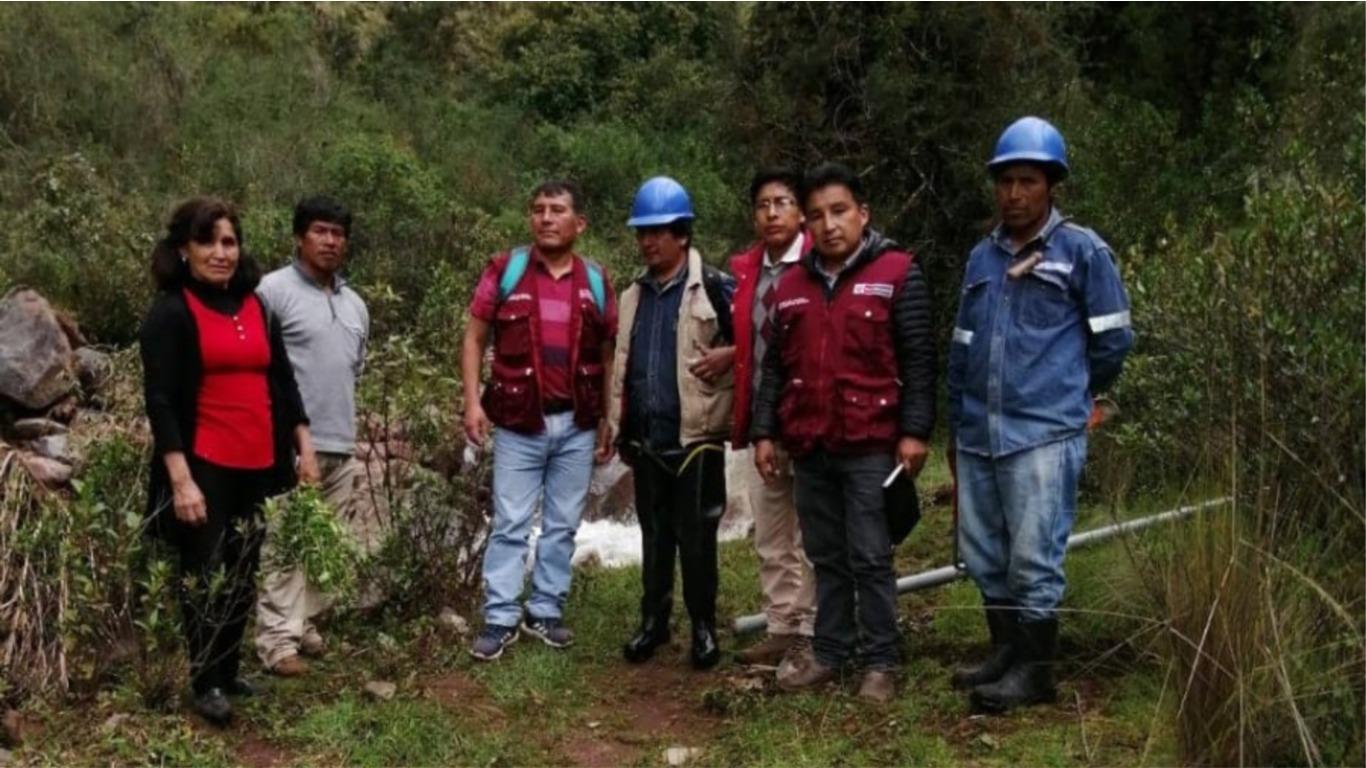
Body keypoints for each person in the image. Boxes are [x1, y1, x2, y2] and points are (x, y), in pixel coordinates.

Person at [946, 116, 1133, 713]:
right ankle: (1006, 652)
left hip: (1042, 435)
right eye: (1005, 181)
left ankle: (1038, 672)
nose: (1014, 194)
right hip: (980, 432)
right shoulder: (981, 257)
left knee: (1034, 555)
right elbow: (962, 345)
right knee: (983, 552)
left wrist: (1069, 394)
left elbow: (1112, 340)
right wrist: (958, 419)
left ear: (1051, 184)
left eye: (1027, 181)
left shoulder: (1082, 251)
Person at [752, 163, 936, 703]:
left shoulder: (899, 273)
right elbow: (775, 370)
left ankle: (881, 660)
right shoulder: (790, 285)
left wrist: (916, 431)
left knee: (871, 554)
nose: (829, 225)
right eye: (817, 216)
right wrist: (766, 432)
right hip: (812, 444)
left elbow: (920, 361)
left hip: (871, 443)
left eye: (839, 211)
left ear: (863, 214)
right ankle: (831, 651)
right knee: (826, 554)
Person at [140, 198, 318, 725]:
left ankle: (228, 668)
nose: (221, 253)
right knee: (203, 569)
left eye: (229, 242)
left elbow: (282, 381)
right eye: (208, 242)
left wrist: (303, 444)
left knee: (243, 570)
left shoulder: (256, 307)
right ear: (183, 250)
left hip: (257, 460)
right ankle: (204, 681)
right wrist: (180, 479)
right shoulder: (171, 312)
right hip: (202, 464)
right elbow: (161, 401)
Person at [462, 180, 617, 661]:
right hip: (517, 421)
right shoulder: (505, 272)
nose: (546, 218)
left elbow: (610, 350)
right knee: (509, 520)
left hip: (577, 423)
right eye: (538, 210)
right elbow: (473, 338)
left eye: (557, 210)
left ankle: (545, 611)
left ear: (579, 223)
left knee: (563, 523)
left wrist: (610, 414)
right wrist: (472, 403)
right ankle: (501, 617)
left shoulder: (595, 280)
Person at [608, 176, 736, 670]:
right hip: (647, 437)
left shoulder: (719, 287)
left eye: (658, 231)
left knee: (698, 538)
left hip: (697, 436)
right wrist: (617, 426)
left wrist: (732, 351)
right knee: (655, 535)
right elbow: (623, 363)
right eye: (642, 232)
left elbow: (763, 339)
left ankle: (703, 627)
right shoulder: (632, 297)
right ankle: (653, 623)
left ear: (682, 234)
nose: (647, 241)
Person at [254, 196, 371, 678]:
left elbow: (353, 370)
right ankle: (276, 642)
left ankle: (305, 625)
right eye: (320, 231)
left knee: (324, 543)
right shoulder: (271, 292)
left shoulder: (355, 303)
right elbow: (257, 369)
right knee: (284, 541)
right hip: (287, 443)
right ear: (299, 237)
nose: (330, 241)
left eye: (338, 233)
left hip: (341, 441)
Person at [727, 168, 817, 668]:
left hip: (806, 419)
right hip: (760, 421)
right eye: (763, 204)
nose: (772, 213)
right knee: (771, 531)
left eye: (783, 202)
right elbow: (753, 339)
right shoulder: (747, 270)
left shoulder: (818, 264)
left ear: (801, 212)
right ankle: (780, 624)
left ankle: (811, 627)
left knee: (810, 533)